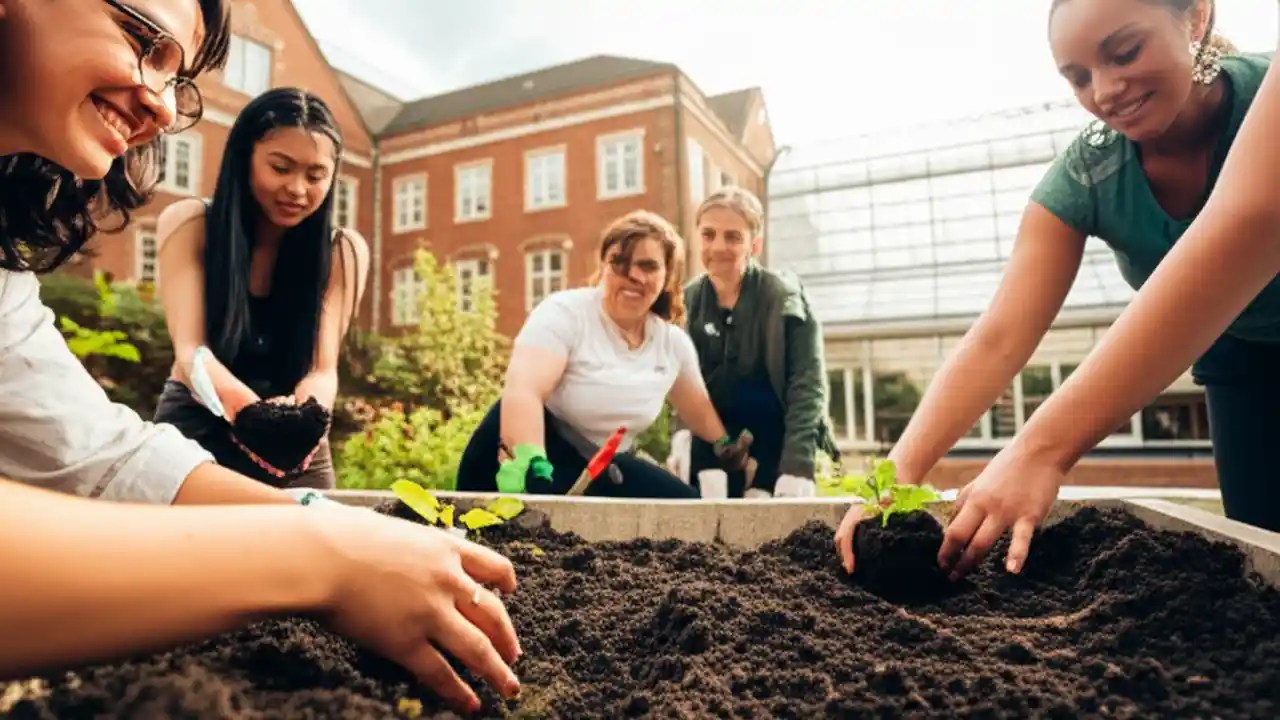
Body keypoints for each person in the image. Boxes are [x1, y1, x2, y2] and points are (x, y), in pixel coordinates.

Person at [0, 1, 518, 710]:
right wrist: (318, 555)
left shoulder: (6, 293)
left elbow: (102, 458)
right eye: (142, 40)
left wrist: (325, 520)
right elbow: (191, 357)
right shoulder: (195, 227)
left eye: (173, 74)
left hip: (285, 437)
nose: (156, 101)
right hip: (207, 415)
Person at [835, 0, 1273, 578]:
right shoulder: (1088, 177)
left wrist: (1037, 451)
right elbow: (999, 335)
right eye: (1079, 78)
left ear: (1195, 18)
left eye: (1124, 53)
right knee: (1265, 551)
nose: (1106, 90)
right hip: (1240, 363)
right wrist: (894, 478)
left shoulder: (1265, 94)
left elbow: (1247, 226)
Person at [153, 86, 369, 489]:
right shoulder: (190, 224)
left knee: (314, 544)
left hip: (295, 439)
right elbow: (190, 353)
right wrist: (252, 415)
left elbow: (322, 370)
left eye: (316, 175)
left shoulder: (343, 251)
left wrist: (301, 421)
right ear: (245, 159)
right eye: (281, 168)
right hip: (197, 426)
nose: (298, 189)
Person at [456, 210, 750, 498]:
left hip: (600, 464)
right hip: (529, 454)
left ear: (667, 276)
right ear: (604, 266)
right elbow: (525, 390)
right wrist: (528, 459)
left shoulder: (671, 344)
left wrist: (726, 446)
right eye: (620, 262)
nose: (634, 275)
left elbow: (698, 409)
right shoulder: (565, 313)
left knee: (686, 509)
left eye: (648, 266)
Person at [683, 186, 839, 499]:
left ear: (755, 244)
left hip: (775, 438)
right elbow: (684, 381)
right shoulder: (692, 298)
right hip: (716, 441)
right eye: (708, 234)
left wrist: (798, 466)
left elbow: (807, 387)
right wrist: (681, 436)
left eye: (733, 237)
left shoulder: (783, 298)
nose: (718, 247)